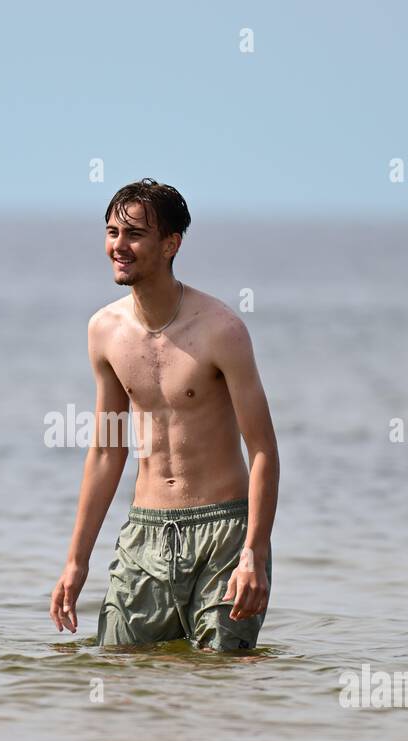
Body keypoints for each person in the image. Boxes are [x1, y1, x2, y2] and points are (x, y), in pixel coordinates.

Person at [49, 178, 279, 650]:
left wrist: (252, 552)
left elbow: (262, 450)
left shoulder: (222, 330)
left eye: (134, 235)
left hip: (224, 536)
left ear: (171, 243)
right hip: (145, 535)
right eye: (112, 232)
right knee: (119, 674)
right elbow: (107, 451)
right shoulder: (105, 331)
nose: (119, 246)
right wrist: (76, 561)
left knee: (221, 679)